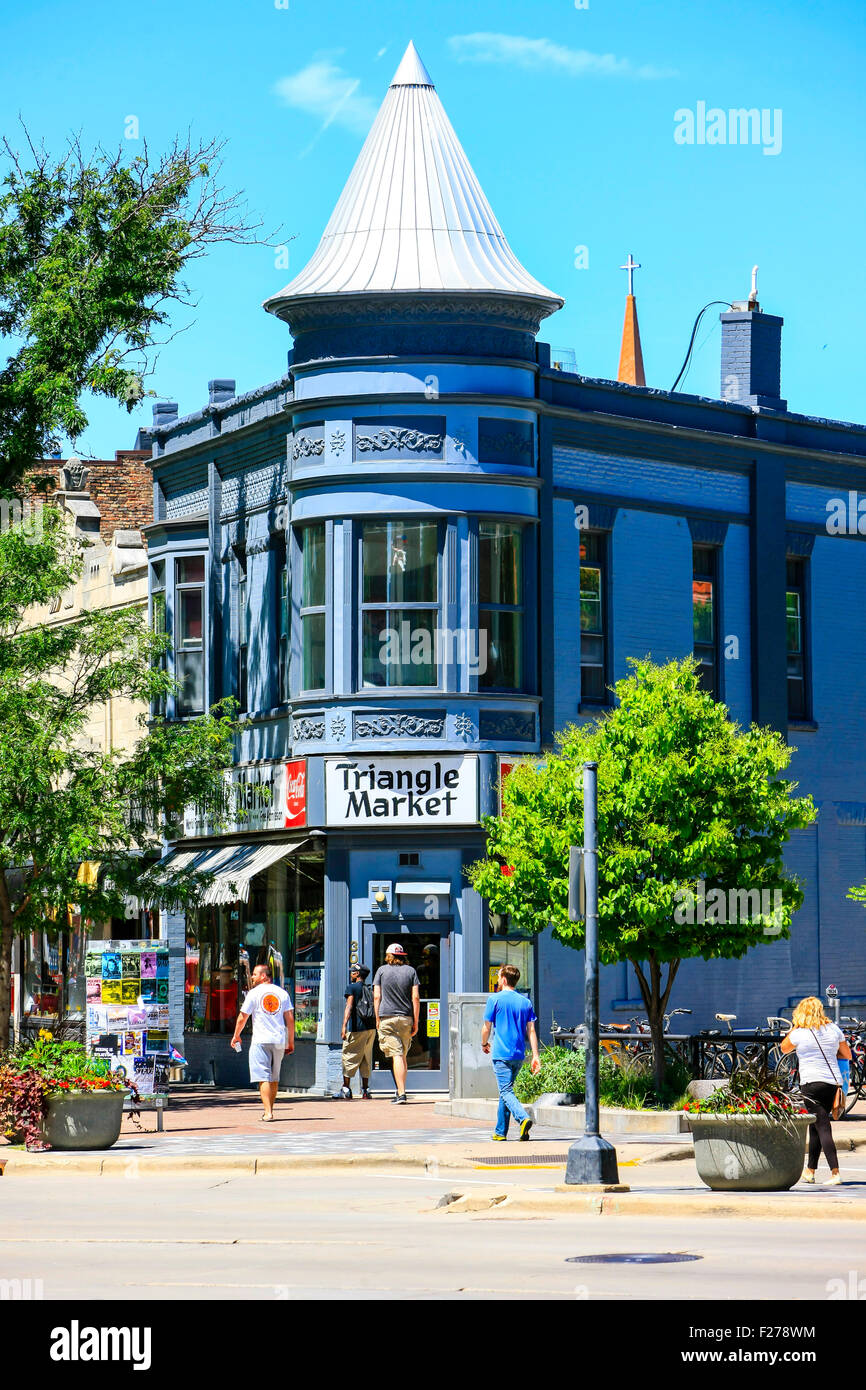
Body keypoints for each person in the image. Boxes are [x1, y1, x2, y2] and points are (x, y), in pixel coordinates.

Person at [780, 995, 852, 1185]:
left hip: (811, 1083)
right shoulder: (833, 1029)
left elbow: (784, 1048)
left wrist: (795, 1028)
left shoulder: (799, 1033)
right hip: (833, 1083)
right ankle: (810, 1171)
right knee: (815, 1126)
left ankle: (835, 1172)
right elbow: (847, 1054)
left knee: (822, 1126)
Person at [481, 964, 540, 1141]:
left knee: (506, 1091)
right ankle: (500, 1132)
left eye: (499, 977)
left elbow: (486, 1027)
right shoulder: (525, 1002)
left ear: (504, 980)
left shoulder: (495, 999)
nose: (498, 980)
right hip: (518, 1054)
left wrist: (484, 1043)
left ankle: (523, 1118)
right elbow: (531, 1031)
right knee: (505, 1092)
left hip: (501, 1053)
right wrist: (535, 1055)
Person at [230, 962, 294, 1122]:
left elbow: (242, 1017)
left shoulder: (254, 993)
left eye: (254, 974)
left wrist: (236, 1035)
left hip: (261, 1040)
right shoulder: (282, 993)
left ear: (263, 976)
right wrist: (290, 1041)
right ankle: (270, 1109)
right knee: (274, 1077)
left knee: (263, 1077)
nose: (252, 977)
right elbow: (290, 1020)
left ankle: (268, 1112)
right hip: (279, 1039)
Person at [372, 943, 420, 1104]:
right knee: (402, 1056)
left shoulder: (381, 971)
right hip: (406, 1018)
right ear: (402, 955)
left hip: (387, 1017)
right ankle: (401, 1089)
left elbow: (377, 997)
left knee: (397, 1055)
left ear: (388, 956)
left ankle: (401, 1093)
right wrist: (416, 1020)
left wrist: (377, 1018)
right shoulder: (411, 971)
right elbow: (415, 998)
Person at [340, 964, 376, 1100]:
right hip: (371, 1029)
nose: (351, 973)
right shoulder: (369, 989)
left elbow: (349, 1006)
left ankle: (346, 1089)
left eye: (353, 971)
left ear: (357, 974)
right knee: (366, 1058)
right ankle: (366, 1090)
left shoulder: (352, 987)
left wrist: (344, 1025)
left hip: (357, 1028)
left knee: (349, 1056)